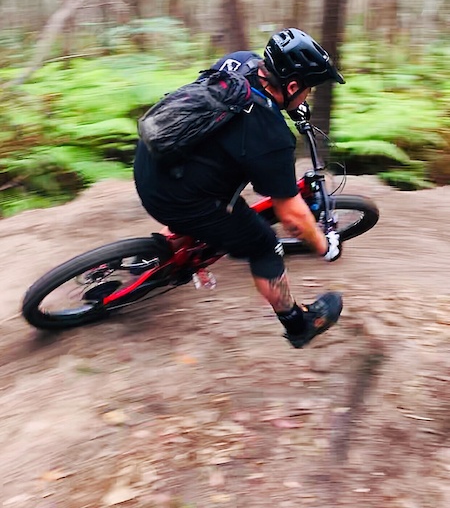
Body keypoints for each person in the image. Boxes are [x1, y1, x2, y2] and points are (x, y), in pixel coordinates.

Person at [134, 28, 345, 349]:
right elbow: (293, 217)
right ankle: (298, 325)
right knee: (264, 245)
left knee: (223, 177)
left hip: (150, 162)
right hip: (175, 198)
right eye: (308, 90)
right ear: (291, 86)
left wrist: (289, 109)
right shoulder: (273, 139)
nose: (308, 97)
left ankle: (175, 241)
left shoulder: (239, 62)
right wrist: (324, 246)